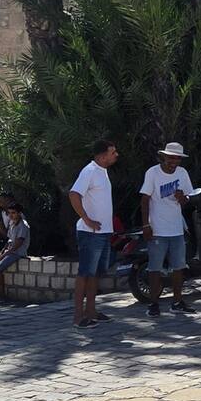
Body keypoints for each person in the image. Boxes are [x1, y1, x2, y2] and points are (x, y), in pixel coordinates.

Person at [138, 143, 196, 316]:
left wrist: (182, 198)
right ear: (163, 157)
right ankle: (153, 304)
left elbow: (188, 199)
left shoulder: (182, 173)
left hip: (176, 228)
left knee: (179, 267)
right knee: (155, 268)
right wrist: (146, 225)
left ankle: (177, 301)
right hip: (157, 228)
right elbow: (145, 199)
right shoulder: (153, 173)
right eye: (171, 157)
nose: (174, 161)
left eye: (177, 158)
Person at [67, 138, 118, 329]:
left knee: (95, 273)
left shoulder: (102, 172)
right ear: (103, 155)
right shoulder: (89, 171)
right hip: (90, 233)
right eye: (113, 152)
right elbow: (74, 194)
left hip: (103, 232)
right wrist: (86, 219)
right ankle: (78, 317)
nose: (116, 155)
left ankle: (91, 311)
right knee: (85, 273)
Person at [0, 197, 31, 302]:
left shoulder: (23, 225)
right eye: (9, 213)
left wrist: (6, 254)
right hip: (9, 252)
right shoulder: (12, 223)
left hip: (17, 253)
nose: (11, 215)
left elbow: (18, 244)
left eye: (13, 213)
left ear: (19, 213)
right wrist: (2, 252)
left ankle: (1, 296)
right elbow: (9, 240)